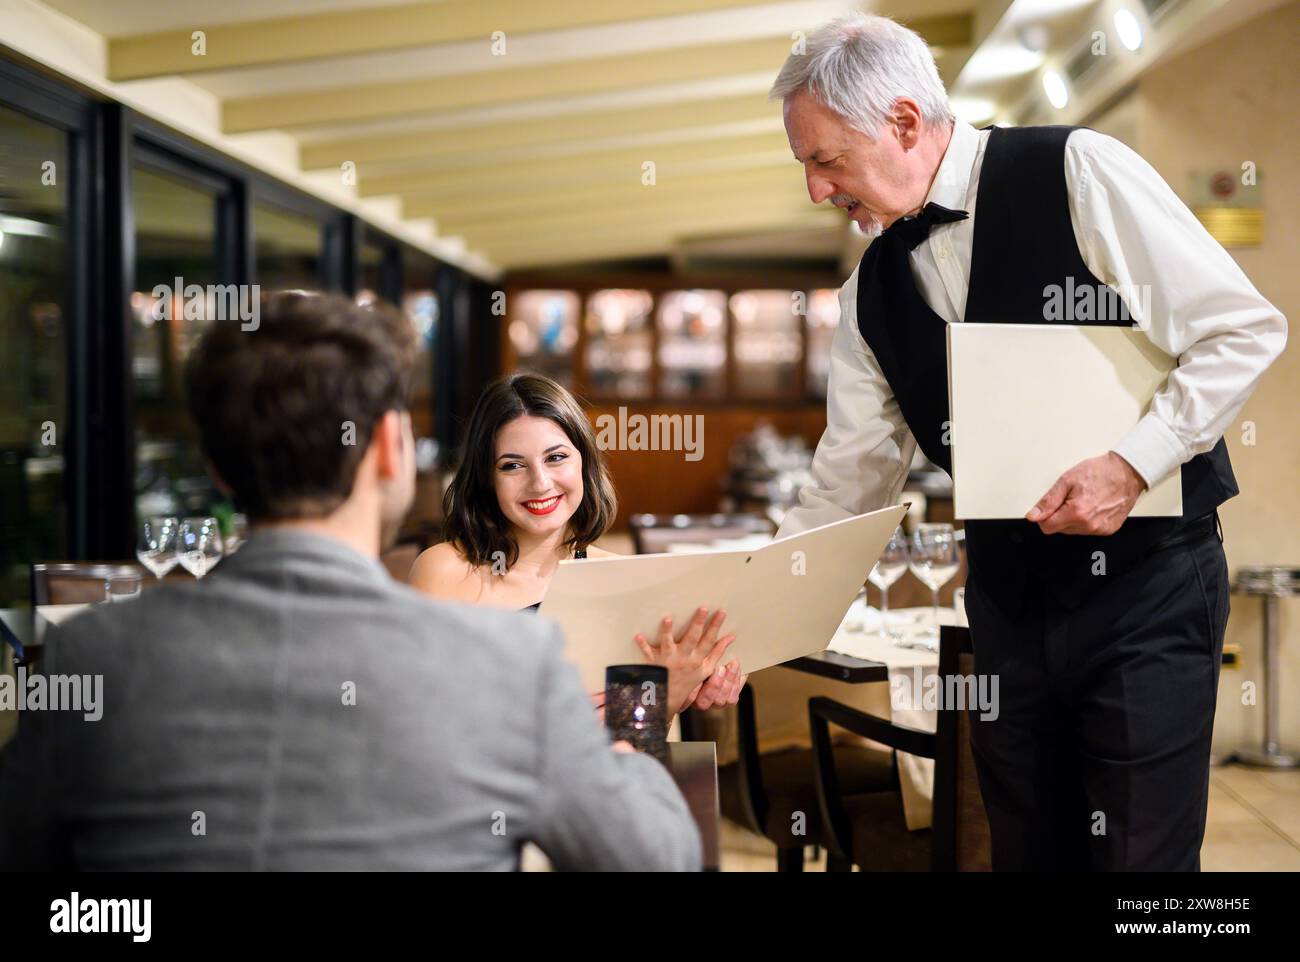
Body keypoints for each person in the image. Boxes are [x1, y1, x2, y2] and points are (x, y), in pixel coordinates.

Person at [768, 14, 1286, 870]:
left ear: (902, 121)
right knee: (1021, 852)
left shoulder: (1076, 170)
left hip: (1148, 590)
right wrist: (750, 622)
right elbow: (844, 489)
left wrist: (1133, 462)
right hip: (1005, 608)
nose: (818, 191)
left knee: (1140, 865)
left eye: (825, 160)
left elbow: (1241, 329)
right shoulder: (868, 295)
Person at [0, 292, 702, 872]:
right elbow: (652, 859)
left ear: (217, 469)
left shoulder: (87, 659)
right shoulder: (513, 666)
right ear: (393, 450)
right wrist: (632, 717)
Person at [411, 372, 746, 717]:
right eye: (512, 465)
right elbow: (424, 723)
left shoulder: (621, 578)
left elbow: (629, 744)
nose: (540, 483)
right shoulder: (444, 572)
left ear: (583, 462)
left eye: (555, 458)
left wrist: (697, 681)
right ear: (486, 480)